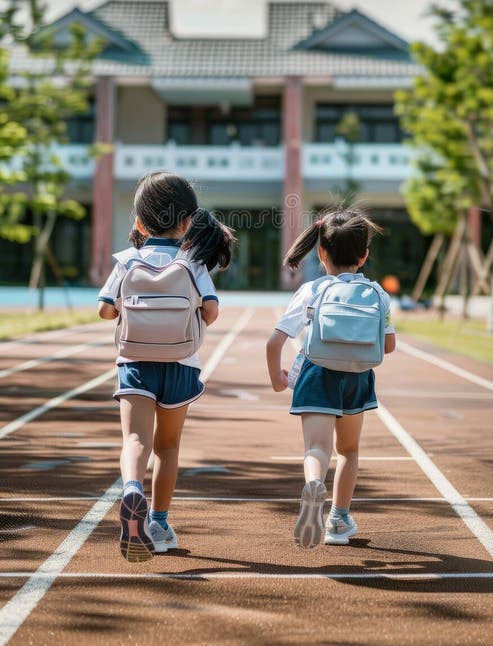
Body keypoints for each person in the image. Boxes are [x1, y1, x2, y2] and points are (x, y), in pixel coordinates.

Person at [98, 171, 235, 562]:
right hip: (181, 364)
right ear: (188, 222)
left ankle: (130, 491)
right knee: (168, 445)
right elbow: (211, 311)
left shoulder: (126, 261)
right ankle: (158, 521)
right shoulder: (192, 264)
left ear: (139, 222)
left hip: (135, 363)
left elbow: (106, 310)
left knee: (135, 440)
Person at [266, 205, 396, 550]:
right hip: (356, 378)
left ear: (320, 251)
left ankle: (313, 485)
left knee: (316, 448)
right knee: (348, 451)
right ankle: (338, 519)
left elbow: (274, 342)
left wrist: (278, 379)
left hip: (316, 375)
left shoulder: (311, 290)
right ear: (364, 255)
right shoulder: (378, 295)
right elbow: (389, 345)